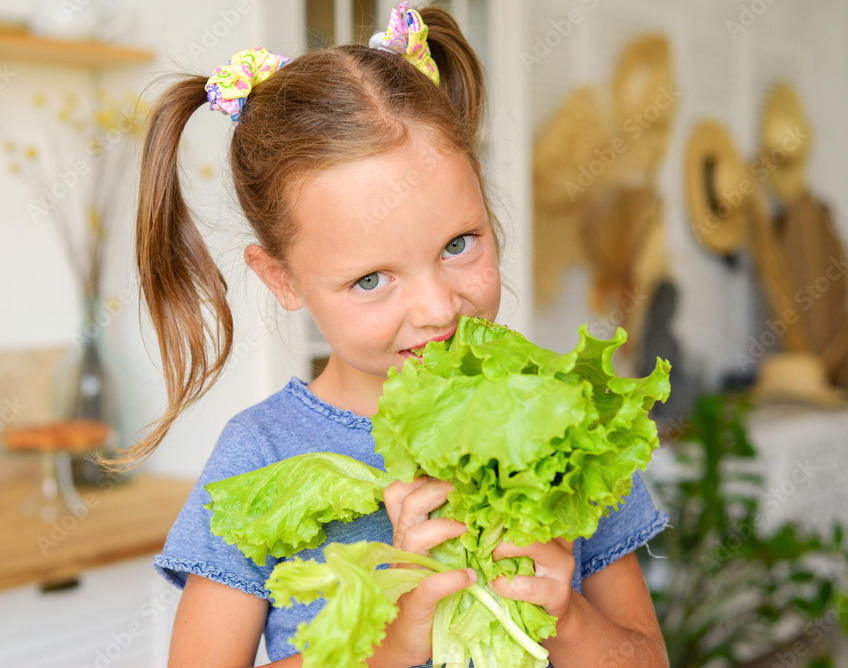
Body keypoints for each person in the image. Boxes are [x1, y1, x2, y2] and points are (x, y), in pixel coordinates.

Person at [125, 3, 670, 666]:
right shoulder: (260, 454)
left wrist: (570, 621)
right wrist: (389, 643)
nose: (438, 308)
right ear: (282, 279)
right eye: (371, 280)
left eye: (459, 244)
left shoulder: (567, 417)